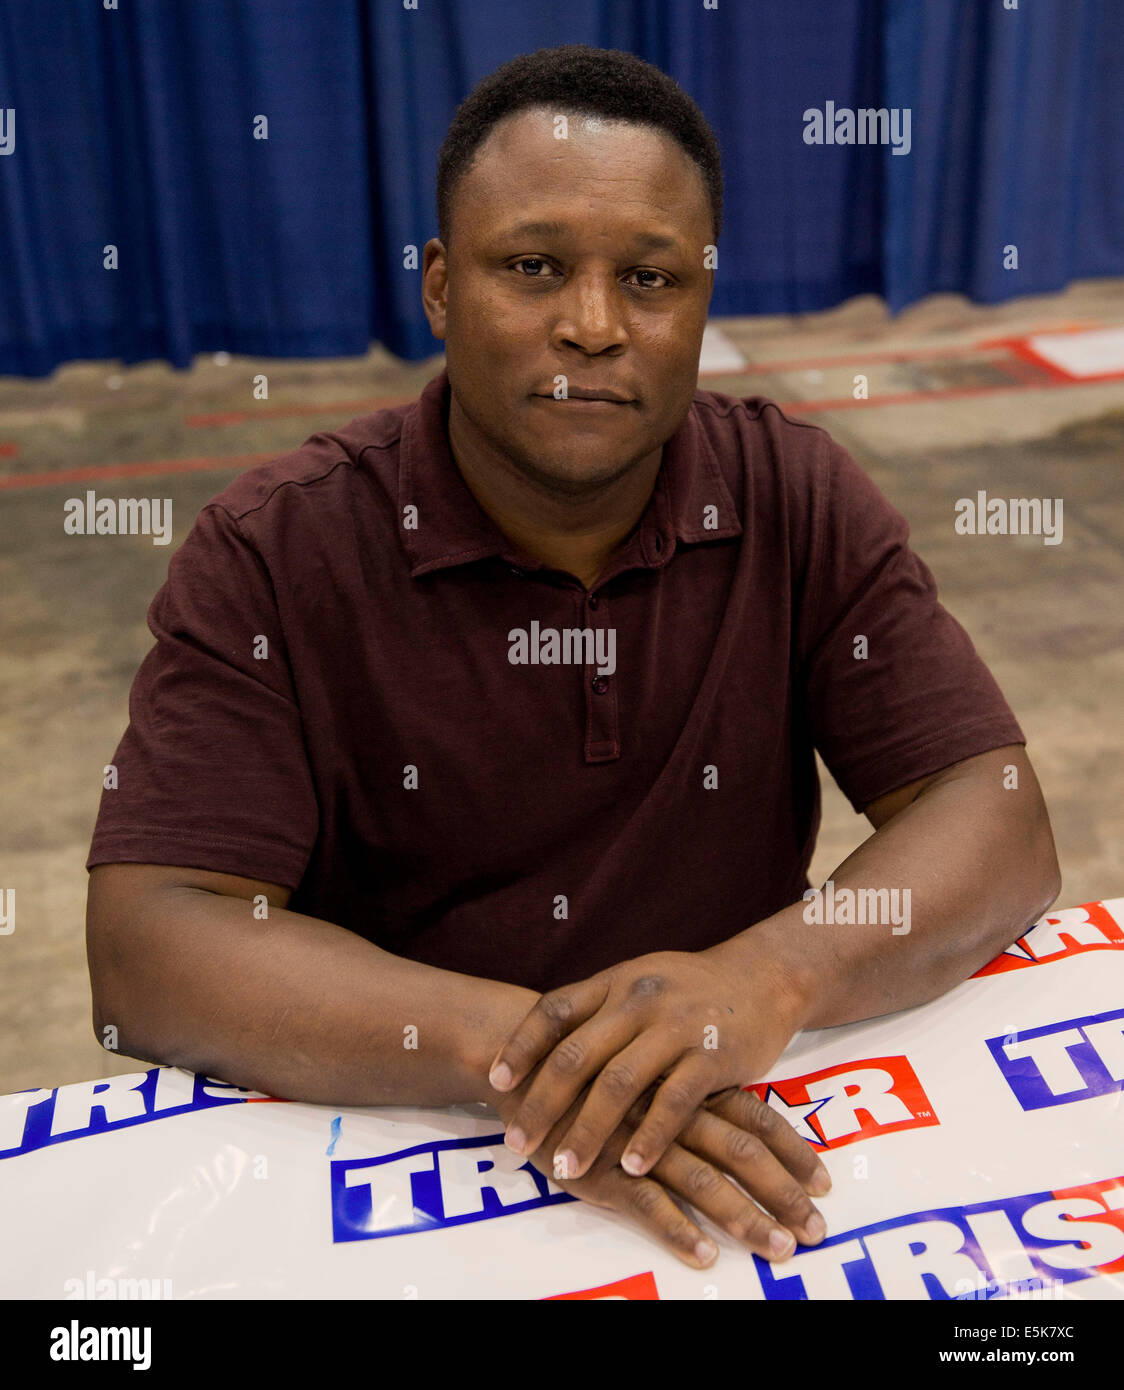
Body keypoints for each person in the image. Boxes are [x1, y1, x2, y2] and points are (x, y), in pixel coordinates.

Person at [86, 45, 1060, 1271]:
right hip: (392, 1166)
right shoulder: (276, 547)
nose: (592, 327)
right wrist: (548, 1065)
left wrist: (768, 979)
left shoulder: (792, 493)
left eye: (647, 278)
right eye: (532, 267)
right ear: (440, 286)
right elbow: (152, 938)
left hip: (734, 1138)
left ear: (703, 295)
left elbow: (996, 813)